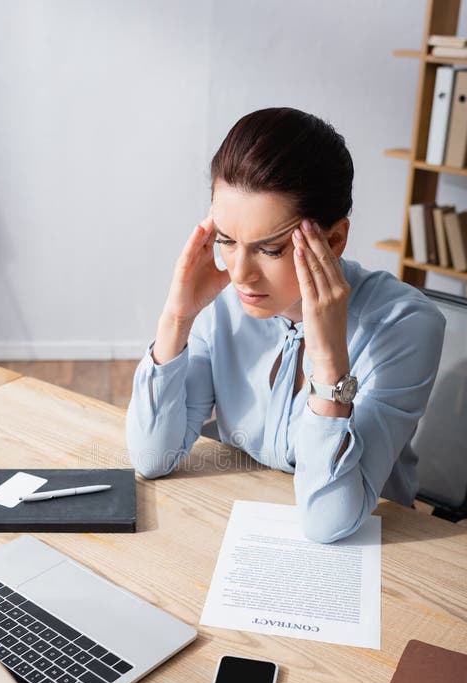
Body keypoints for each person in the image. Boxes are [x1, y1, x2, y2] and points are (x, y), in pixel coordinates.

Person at [126, 108, 445, 543]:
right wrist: (177, 318)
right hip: (239, 520)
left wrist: (330, 363)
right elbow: (152, 457)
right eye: (225, 240)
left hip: (376, 553)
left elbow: (330, 521)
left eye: (270, 250)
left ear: (333, 241)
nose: (240, 273)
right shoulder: (222, 301)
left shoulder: (405, 325)